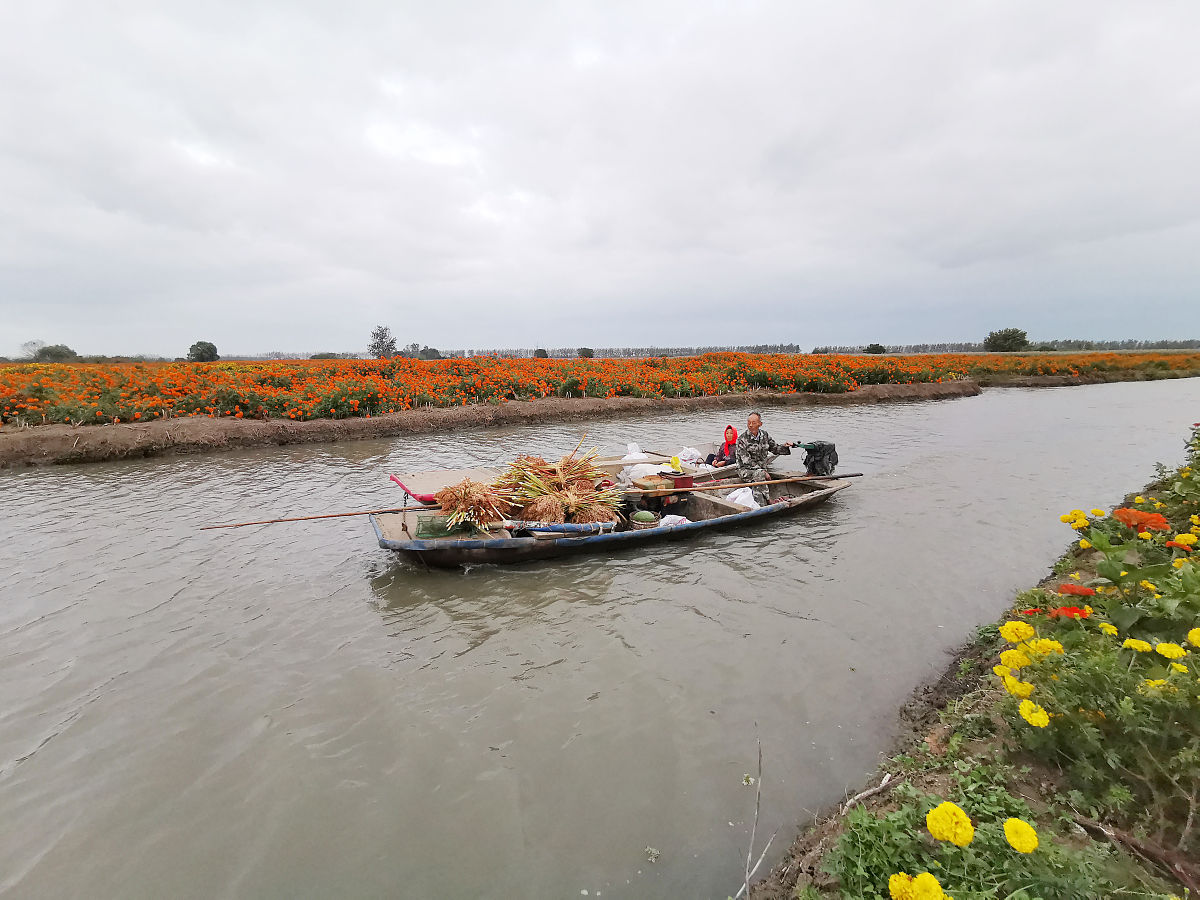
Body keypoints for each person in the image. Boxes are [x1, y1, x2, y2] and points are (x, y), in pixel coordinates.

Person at [735, 412, 794, 505]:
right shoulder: (742, 440)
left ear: (760, 424)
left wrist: (785, 446)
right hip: (745, 470)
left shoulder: (765, 435)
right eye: (748, 422)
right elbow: (746, 461)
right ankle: (768, 500)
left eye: (753, 423)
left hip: (761, 470)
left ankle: (759, 500)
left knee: (760, 474)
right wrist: (763, 472)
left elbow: (775, 448)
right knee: (760, 474)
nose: (750, 425)